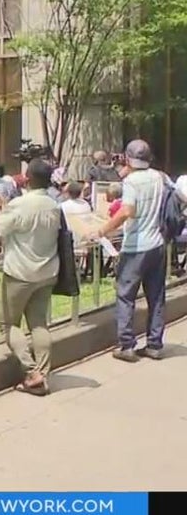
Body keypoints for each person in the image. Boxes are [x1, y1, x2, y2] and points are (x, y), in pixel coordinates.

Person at [87, 139, 173, 362]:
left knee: (126, 296)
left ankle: (127, 345)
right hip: (157, 244)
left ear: (128, 158)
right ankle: (154, 344)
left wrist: (103, 230)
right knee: (156, 296)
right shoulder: (159, 177)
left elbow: (127, 211)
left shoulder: (132, 182)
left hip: (135, 246)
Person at [0, 158, 61, 396]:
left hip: (20, 272)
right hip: (47, 271)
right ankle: (43, 373)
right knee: (39, 323)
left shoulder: (20, 204)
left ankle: (32, 373)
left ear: (27, 178)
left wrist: (0, 206)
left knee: (6, 323)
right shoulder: (54, 205)